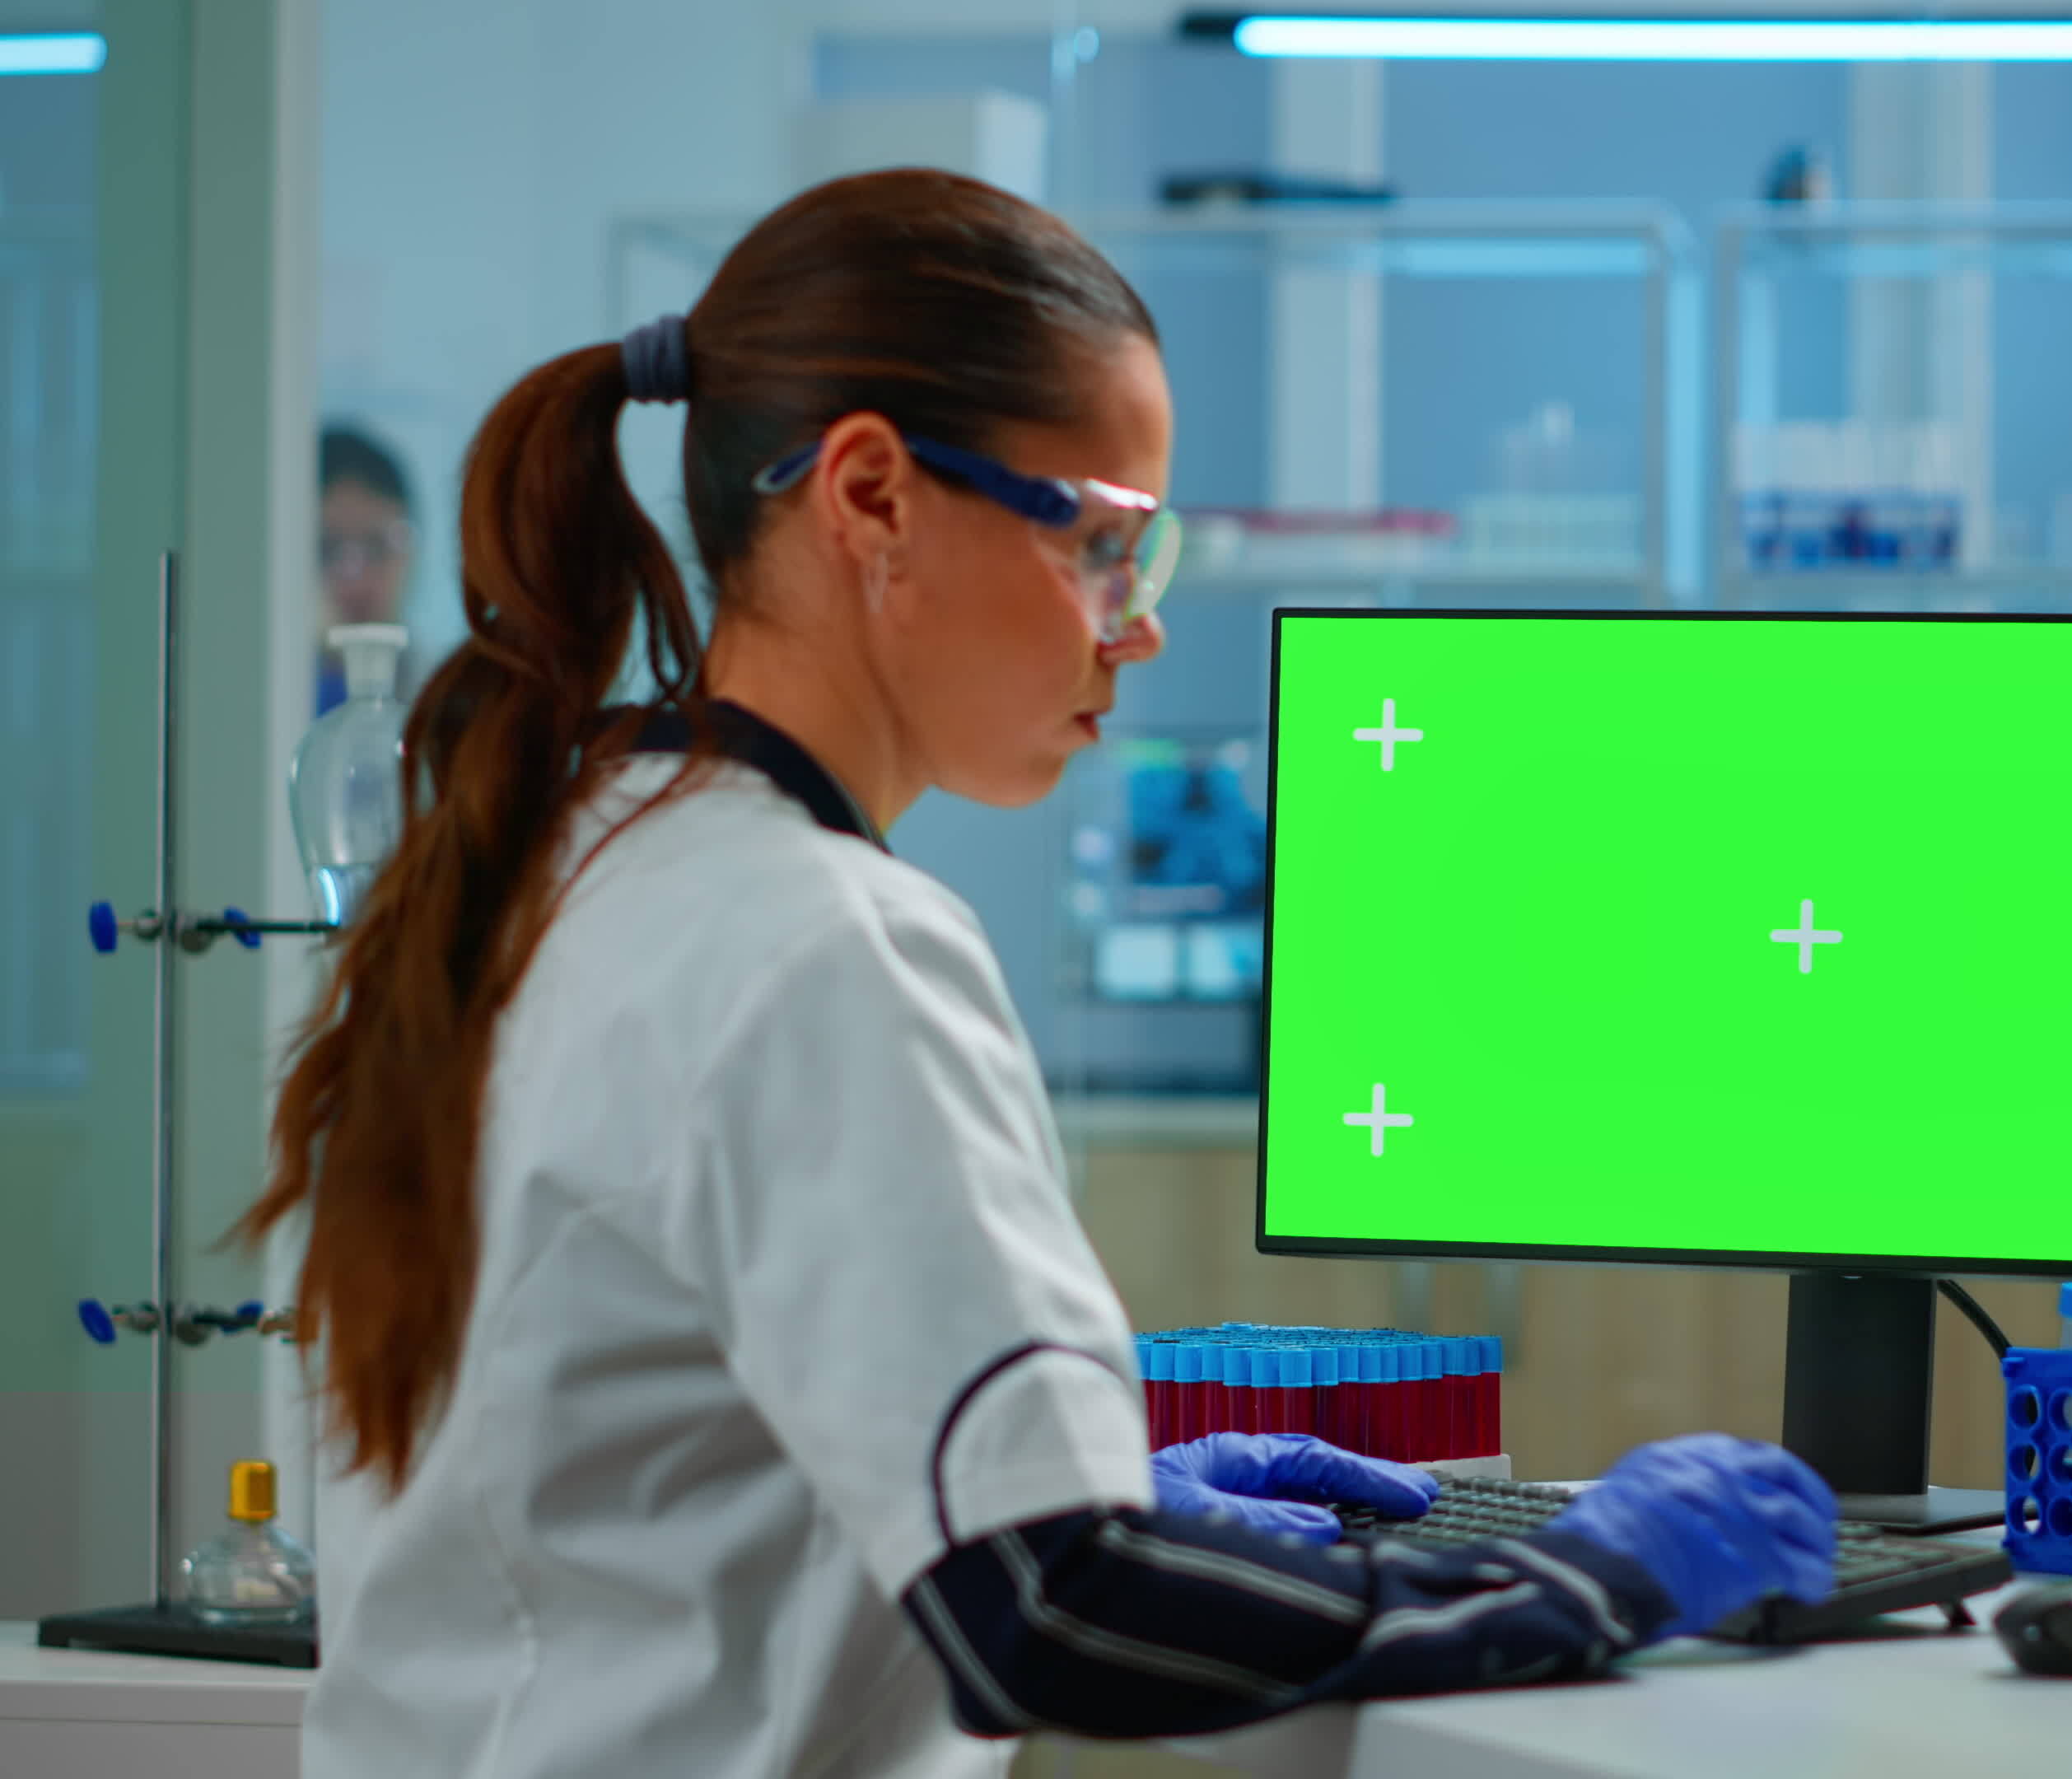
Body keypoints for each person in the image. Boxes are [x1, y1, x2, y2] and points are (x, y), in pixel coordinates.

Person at [238, 169, 1835, 1778]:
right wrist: (1578, 1582)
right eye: (1101, 544)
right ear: (873, 496)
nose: (1134, 629)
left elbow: (660, 1467)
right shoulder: (819, 943)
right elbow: (1057, 1614)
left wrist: (1078, 1477)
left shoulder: (564, 856)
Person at [315, 423, 418, 712]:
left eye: (377, 547)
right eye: (327, 549)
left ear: (411, 556)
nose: (355, 580)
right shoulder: (259, 692)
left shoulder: (454, 698)